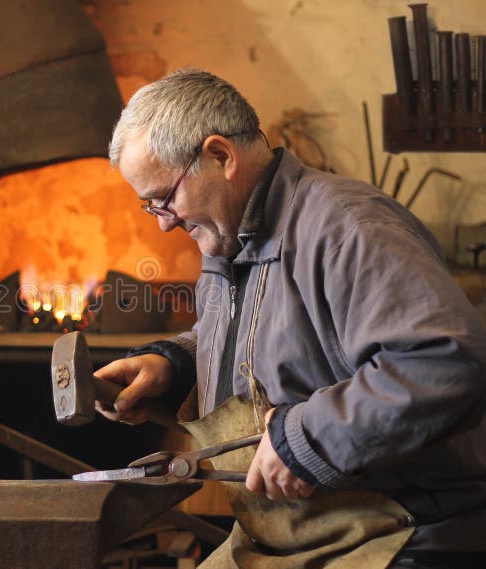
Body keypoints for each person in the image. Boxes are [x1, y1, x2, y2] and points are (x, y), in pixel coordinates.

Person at [95, 69, 486, 568]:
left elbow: (445, 359)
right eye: (150, 206)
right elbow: (268, 336)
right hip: (286, 533)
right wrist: (174, 364)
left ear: (220, 156)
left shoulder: (346, 228)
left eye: (165, 199)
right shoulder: (231, 233)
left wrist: (312, 438)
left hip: (395, 535)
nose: (165, 221)